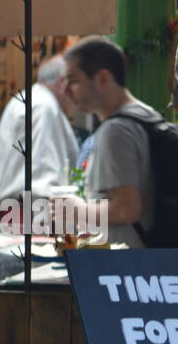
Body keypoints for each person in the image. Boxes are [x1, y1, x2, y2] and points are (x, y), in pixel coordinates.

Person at [60, 36, 159, 249]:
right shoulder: (146, 115)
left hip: (126, 267)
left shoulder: (116, 130)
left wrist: (78, 211)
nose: (65, 90)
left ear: (103, 79)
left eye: (73, 80)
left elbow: (127, 209)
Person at [0, 55, 78, 225]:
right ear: (61, 81)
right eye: (73, 82)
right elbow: (44, 176)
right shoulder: (45, 107)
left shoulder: (26, 99)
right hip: (32, 213)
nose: (75, 92)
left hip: (16, 210)